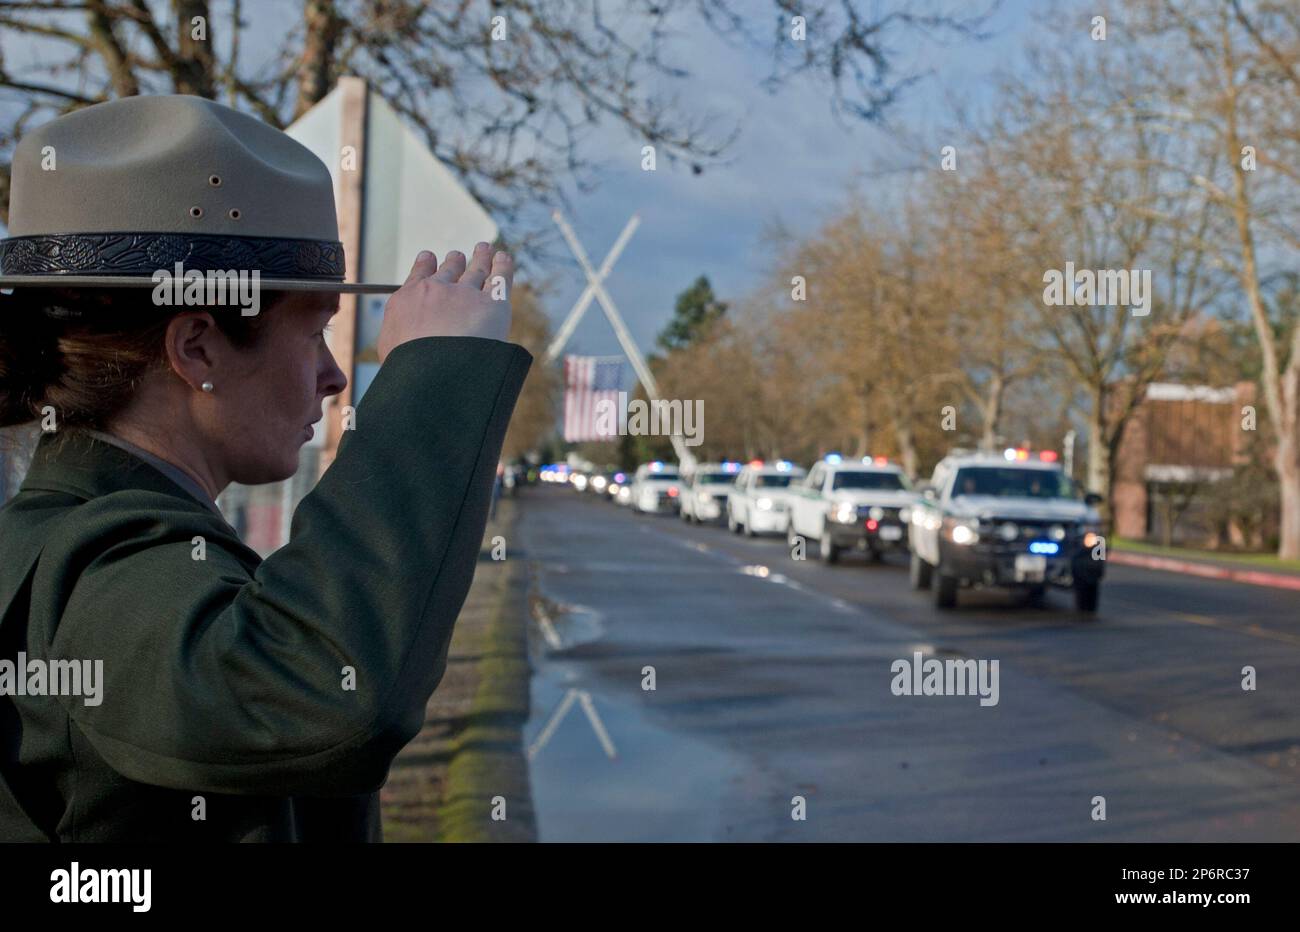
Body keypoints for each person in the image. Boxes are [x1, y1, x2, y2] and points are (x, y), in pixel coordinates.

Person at [0, 95, 531, 841]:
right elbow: (320, 695)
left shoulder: (88, 536)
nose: (334, 375)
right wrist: (433, 382)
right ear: (198, 350)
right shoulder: (98, 567)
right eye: (313, 330)